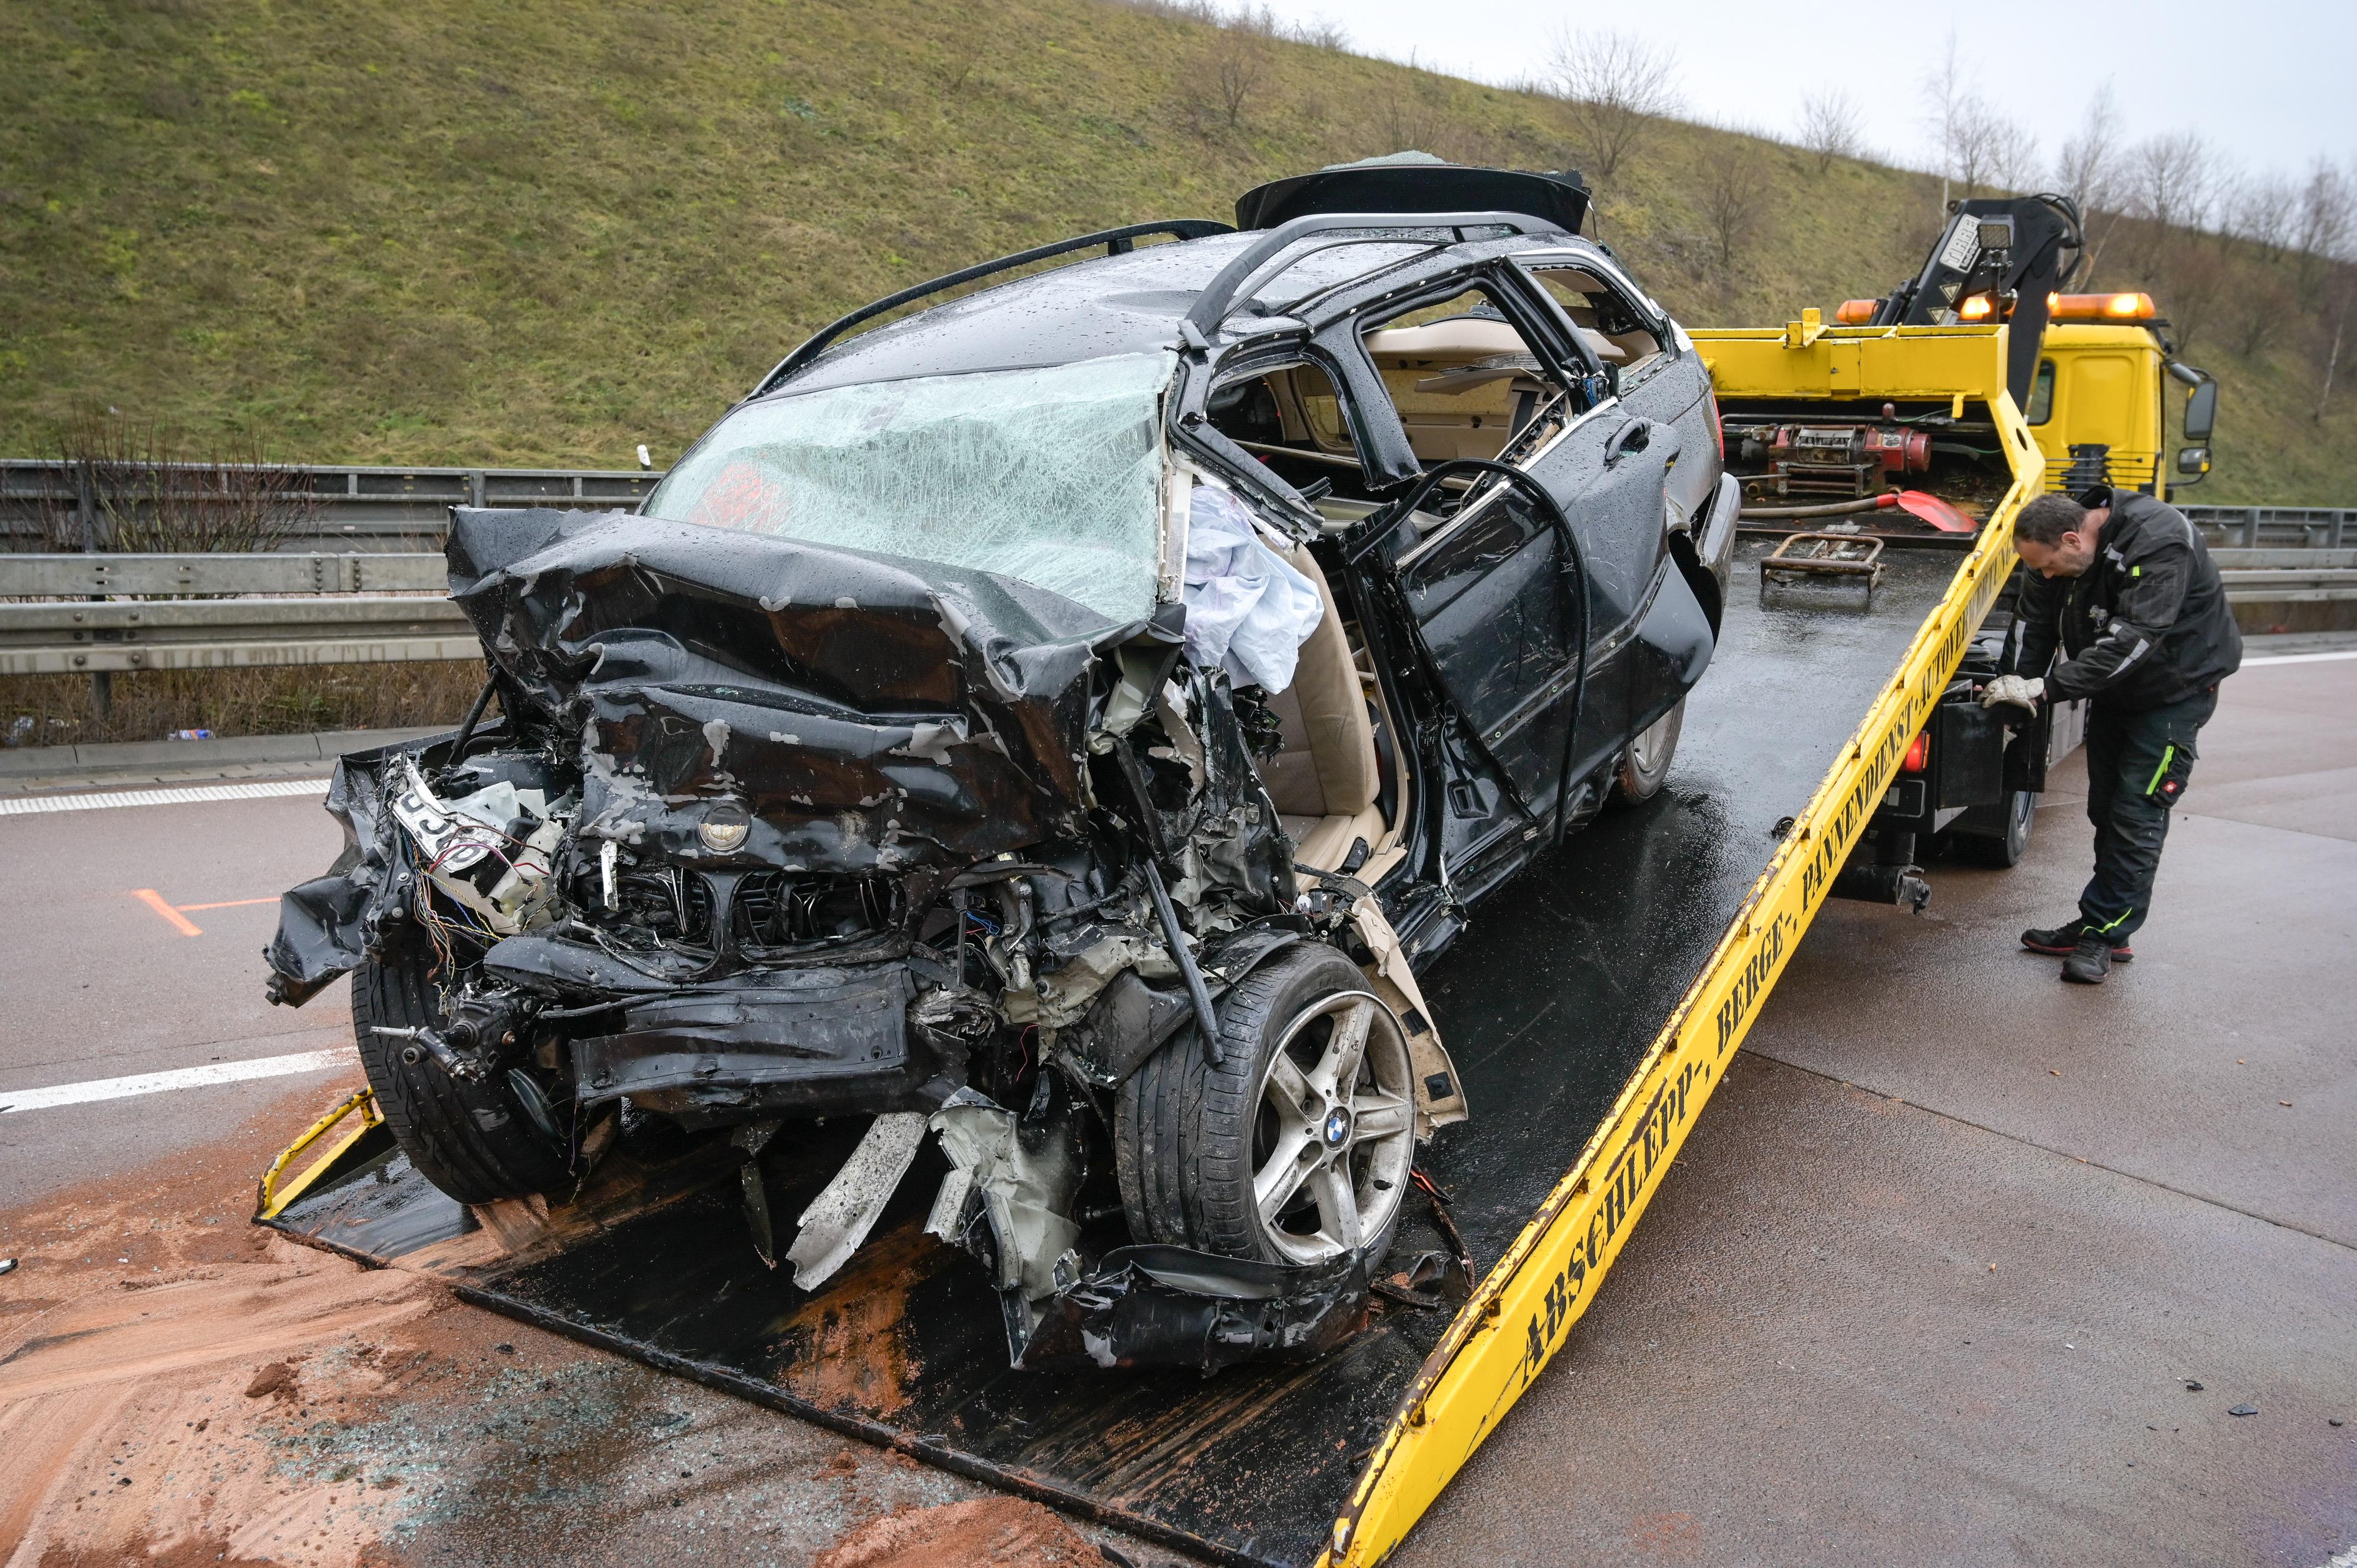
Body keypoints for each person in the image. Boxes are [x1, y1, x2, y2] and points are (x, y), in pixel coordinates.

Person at [1980, 486, 2242, 984]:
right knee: (2105, 807)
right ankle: (2103, 919)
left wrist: (2048, 687)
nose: (2046, 575)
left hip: (2174, 689)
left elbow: (2136, 638)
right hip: (2115, 689)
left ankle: (2104, 935)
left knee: (2136, 809)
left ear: (2075, 539)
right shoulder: (2050, 551)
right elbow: (2034, 626)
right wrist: (2013, 694)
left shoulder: (2159, 541)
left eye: (2050, 566)